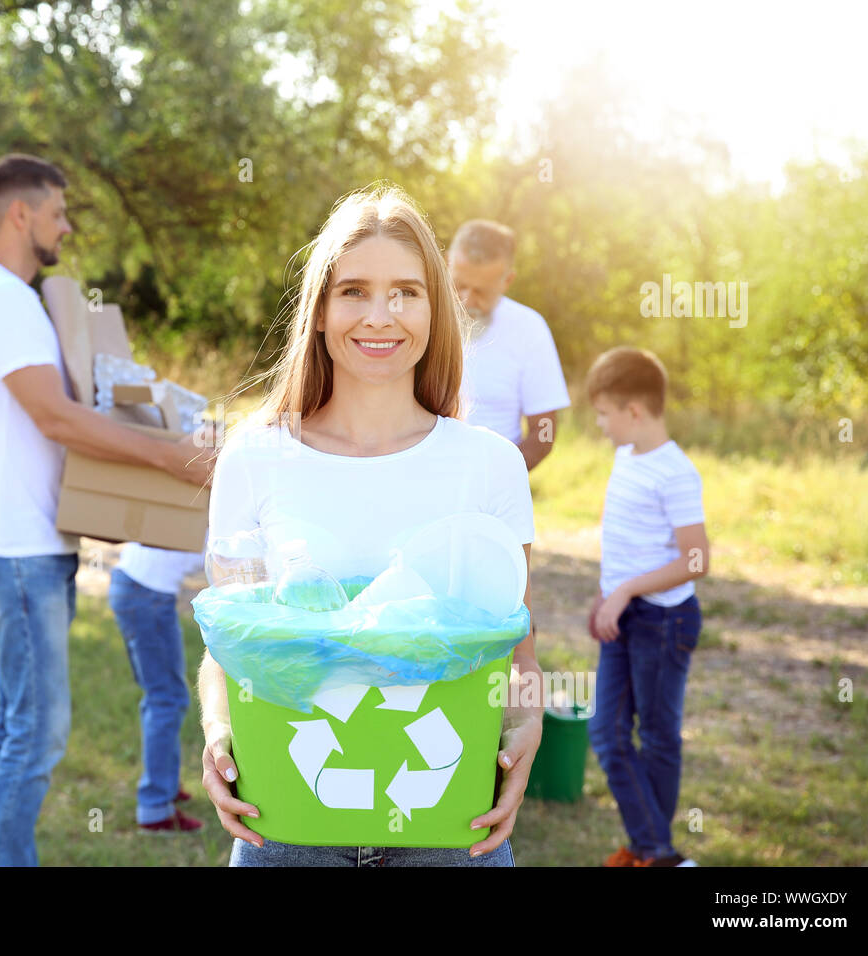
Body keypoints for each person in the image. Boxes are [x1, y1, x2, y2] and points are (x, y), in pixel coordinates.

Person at [196, 184, 544, 866]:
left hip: (446, 822)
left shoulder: (489, 465)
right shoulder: (255, 457)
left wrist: (527, 720)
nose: (380, 316)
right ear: (320, 311)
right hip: (287, 823)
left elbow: (519, 649)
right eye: (353, 290)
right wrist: (215, 731)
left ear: (435, 310)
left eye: (406, 293)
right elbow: (228, 645)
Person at [0, 153, 214, 866]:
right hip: (18, 547)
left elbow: (66, 411)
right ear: (20, 214)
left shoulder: (1, 295)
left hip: (26, 543)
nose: (67, 225)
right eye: (57, 211)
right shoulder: (5, 299)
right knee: (41, 728)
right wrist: (168, 454)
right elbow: (57, 418)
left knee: (21, 722)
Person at [584, 346, 709, 868]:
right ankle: (655, 849)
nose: (599, 424)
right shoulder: (625, 456)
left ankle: (652, 852)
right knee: (606, 732)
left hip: (662, 622)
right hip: (625, 615)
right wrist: (608, 592)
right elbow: (626, 539)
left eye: (605, 413)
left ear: (634, 411)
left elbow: (696, 559)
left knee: (657, 737)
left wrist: (627, 591)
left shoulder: (676, 473)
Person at [448, 220, 569, 472]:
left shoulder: (530, 329)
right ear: (447, 263)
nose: (467, 300)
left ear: (507, 281)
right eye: (459, 285)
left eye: (482, 291)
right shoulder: (417, 318)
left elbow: (543, 434)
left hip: (494, 492)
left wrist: (499, 480)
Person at [108, 542, 208, 833]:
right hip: (146, 595)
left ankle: (166, 783)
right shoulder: (210, 501)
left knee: (164, 697)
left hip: (133, 586)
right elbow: (222, 558)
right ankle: (155, 809)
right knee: (166, 699)